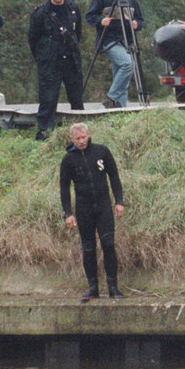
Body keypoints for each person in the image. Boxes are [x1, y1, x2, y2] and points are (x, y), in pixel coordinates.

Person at [59, 122, 125, 300]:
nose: (81, 141)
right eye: (77, 138)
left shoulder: (101, 151)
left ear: (88, 135)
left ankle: (113, 287)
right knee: (88, 248)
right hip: (84, 209)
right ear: (71, 139)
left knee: (108, 244)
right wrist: (68, 213)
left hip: (103, 206)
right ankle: (93, 288)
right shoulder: (68, 160)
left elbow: (114, 176)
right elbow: (64, 188)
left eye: (83, 137)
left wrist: (119, 201)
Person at [27, 0, 84, 140]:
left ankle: (80, 134)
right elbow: (33, 39)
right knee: (48, 100)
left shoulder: (73, 7)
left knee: (76, 97)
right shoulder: (40, 13)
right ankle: (44, 135)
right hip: (50, 62)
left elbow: (77, 33)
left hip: (71, 60)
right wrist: (43, 57)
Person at [85, 0, 146, 108]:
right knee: (127, 64)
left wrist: (137, 24)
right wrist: (101, 21)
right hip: (109, 41)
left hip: (127, 42)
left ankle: (119, 109)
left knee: (121, 75)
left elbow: (141, 19)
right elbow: (90, 16)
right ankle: (111, 98)